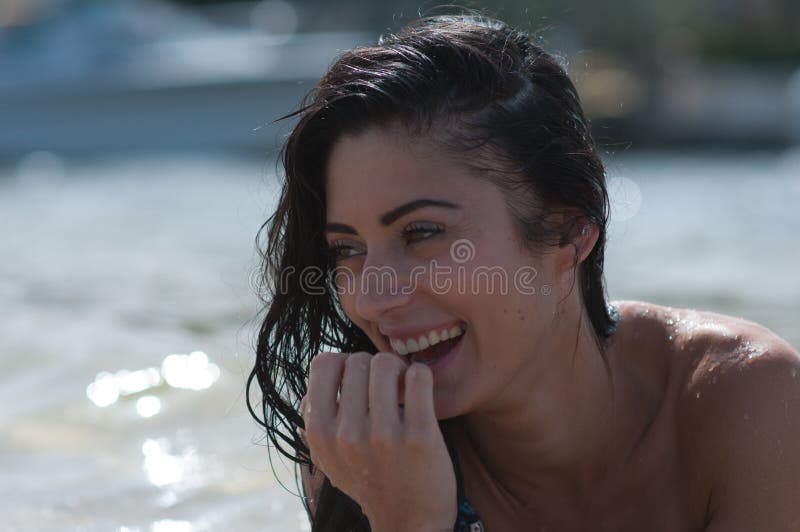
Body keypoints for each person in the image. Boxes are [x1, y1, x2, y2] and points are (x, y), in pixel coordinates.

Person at [247, 14, 800, 532]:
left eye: (422, 233)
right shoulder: (362, 448)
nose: (371, 298)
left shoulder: (748, 401)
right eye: (347, 249)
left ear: (569, 231)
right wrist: (408, 518)